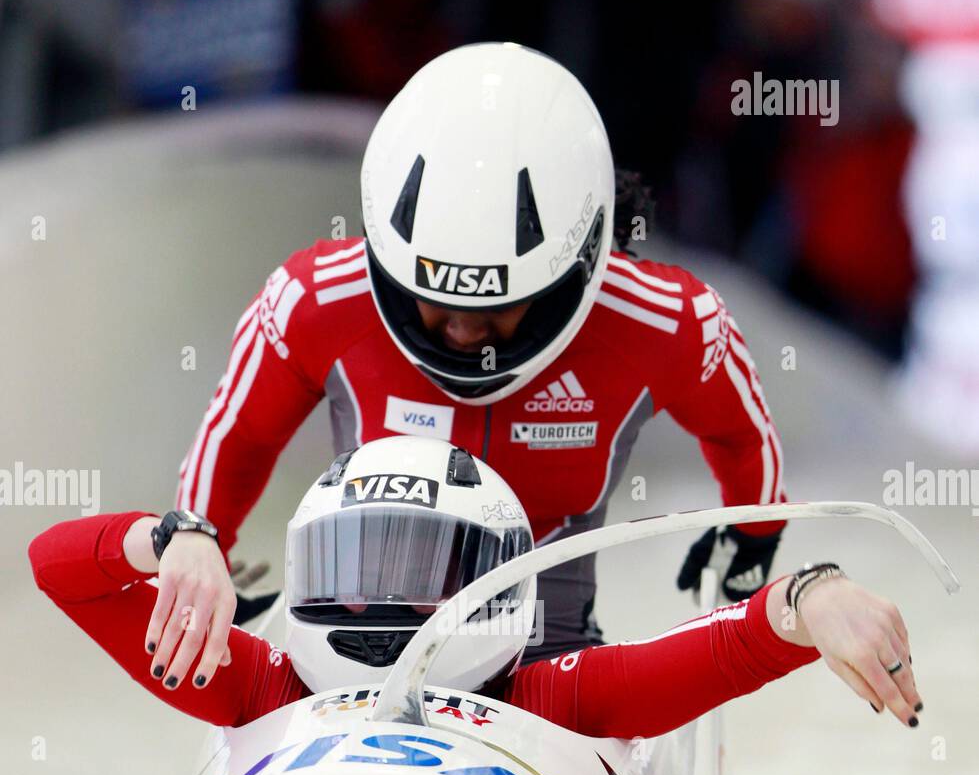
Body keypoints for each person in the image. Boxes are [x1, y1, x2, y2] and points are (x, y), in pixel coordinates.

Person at [164, 41, 790, 681]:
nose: (463, 329)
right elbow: (241, 435)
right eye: (431, 299)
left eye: (498, 307)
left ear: (575, 265)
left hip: (549, 668)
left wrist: (754, 535)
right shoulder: (314, 301)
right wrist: (199, 537)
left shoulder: (665, 323)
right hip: (357, 664)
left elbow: (738, 433)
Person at [30, 438, 923, 737]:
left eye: (428, 577)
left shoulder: (549, 695)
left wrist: (810, 592)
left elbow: (733, 639)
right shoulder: (254, 683)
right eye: (358, 573)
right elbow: (55, 564)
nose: (385, 606)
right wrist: (173, 538)